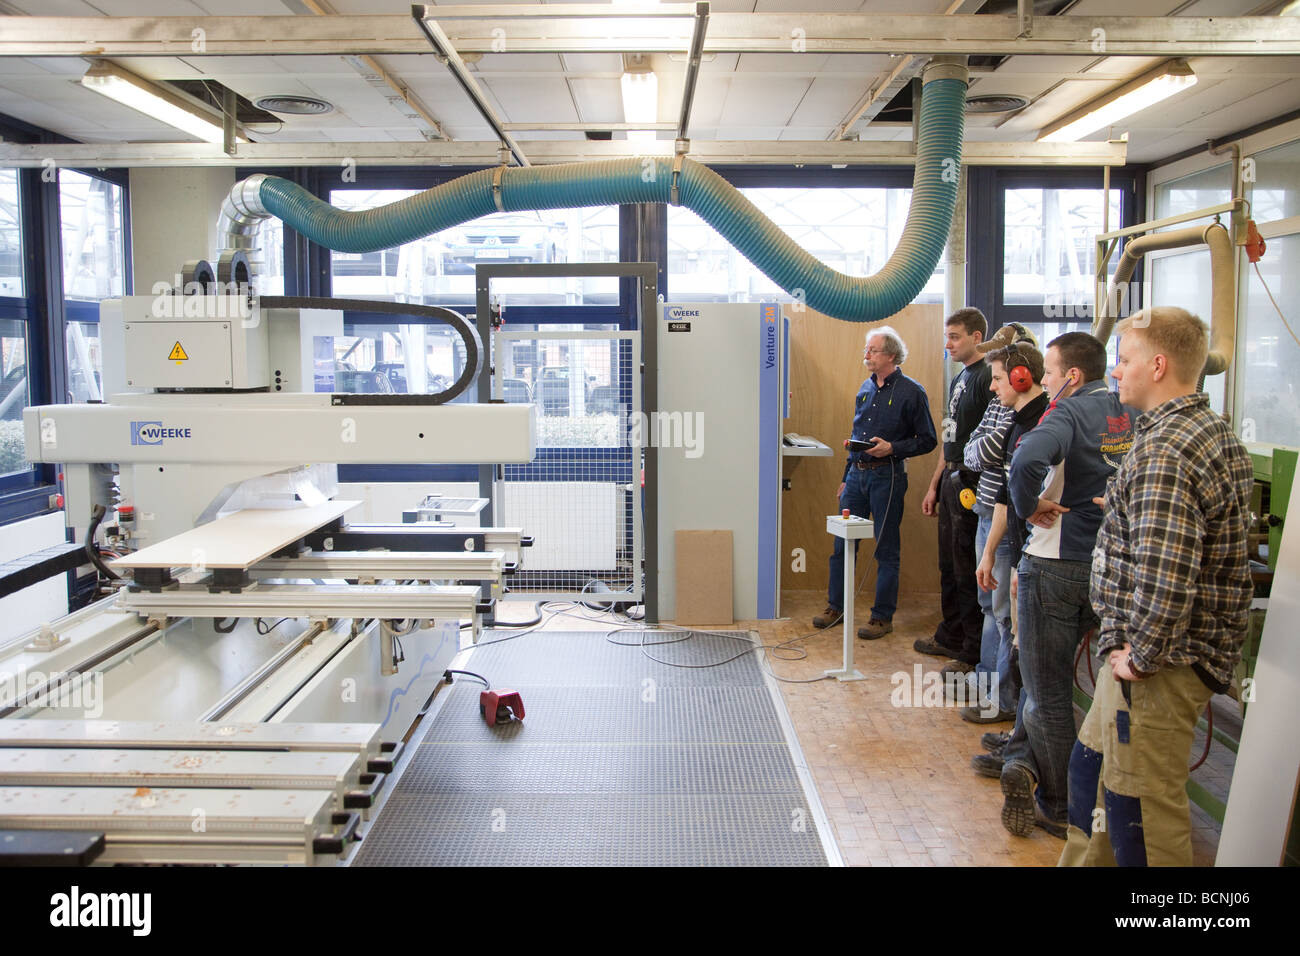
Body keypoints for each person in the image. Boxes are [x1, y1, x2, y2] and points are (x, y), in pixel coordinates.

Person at [1060, 308, 1252, 867]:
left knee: (1139, 807)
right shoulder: (1202, 430)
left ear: (1159, 365)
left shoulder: (1166, 451)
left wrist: (1141, 658)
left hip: (1157, 666)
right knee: (1092, 772)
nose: (1115, 373)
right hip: (1143, 658)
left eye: (1123, 360)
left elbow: (1168, 579)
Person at [997, 332, 1136, 840]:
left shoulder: (1066, 414)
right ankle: (1045, 774)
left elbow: (1026, 459)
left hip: (1055, 564)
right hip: (1114, 569)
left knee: (1046, 693)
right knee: (1104, 693)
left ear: (1071, 376)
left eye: (1050, 373)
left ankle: (1059, 804)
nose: (1045, 382)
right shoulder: (1134, 412)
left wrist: (1028, 505)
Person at [813, 326, 937, 639]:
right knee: (842, 544)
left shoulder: (912, 392)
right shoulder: (864, 390)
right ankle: (835, 607)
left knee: (886, 549)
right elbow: (856, 436)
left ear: (891, 356)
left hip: (888, 476)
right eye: (867, 349)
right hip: (857, 476)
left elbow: (928, 440)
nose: (866, 355)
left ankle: (881, 617)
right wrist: (846, 476)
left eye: (873, 350)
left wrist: (893, 448)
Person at [957, 324, 1039, 729]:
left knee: (1003, 612)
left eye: (998, 379)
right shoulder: (1002, 402)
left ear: (1023, 374)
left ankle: (1001, 697)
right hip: (988, 511)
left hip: (1002, 521)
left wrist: (977, 449)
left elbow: (987, 449)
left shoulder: (1022, 413)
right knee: (989, 605)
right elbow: (973, 447)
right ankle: (988, 685)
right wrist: (976, 449)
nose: (992, 388)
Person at [914, 308, 992, 667]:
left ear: (977, 337)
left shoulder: (987, 377)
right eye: (946, 337)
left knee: (966, 567)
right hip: (951, 478)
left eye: (955, 337)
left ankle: (971, 650)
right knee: (948, 563)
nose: (948, 344)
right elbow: (950, 439)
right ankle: (951, 634)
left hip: (973, 483)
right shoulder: (959, 377)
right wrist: (935, 484)